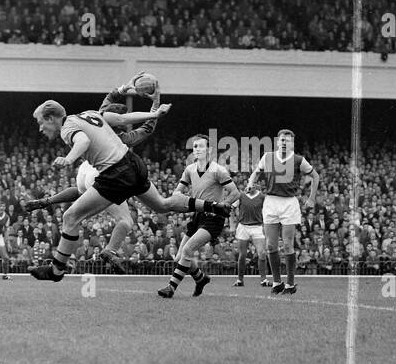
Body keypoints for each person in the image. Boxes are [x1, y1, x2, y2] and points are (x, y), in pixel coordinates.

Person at [28, 100, 230, 282]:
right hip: (133, 163)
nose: (40, 128)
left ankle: (56, 270)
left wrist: (69, 159)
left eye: (40, 122)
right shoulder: (89, 113)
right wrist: (154, 114)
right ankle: (213, 206)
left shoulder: (67, 128)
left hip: (115, 173)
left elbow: (83, 141)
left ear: (51, 118)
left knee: (70, 217)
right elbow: (123, 119)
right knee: (162, 205)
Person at [25, 76, 162, 273]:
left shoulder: (96, 116)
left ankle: (47, 202)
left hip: (85, 170)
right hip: (109, 171)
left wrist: (124, 88)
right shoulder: (123, 138)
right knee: (125, 220)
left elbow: (109, 98)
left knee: (79, 198)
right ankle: (109, 251)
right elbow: (147, 127)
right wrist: (155, 103)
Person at [159, 134, 239, 298]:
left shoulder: (218, 170)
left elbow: (235, 193)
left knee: (188, 250)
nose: (197, 149)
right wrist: (181, 199)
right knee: (180, 257)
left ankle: (171, 287)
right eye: (195, 146)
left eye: (201, 146)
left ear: (209, 150)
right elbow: (177, 193)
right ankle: (200, 279)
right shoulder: (189, 169)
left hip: (214, 218)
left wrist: (223, 205)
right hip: (197, 215)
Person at [246, 129, 318, 295]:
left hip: (289, 203)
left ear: (292, 143)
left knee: (287, 244)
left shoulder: (299, 160)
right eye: (282, 140)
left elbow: (315, 176)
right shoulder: (268, 157)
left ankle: (290, 284)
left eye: (288, 140)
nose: (285, 143)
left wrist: (312, 198)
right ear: (277, 142)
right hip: (271, 202)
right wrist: (250, 183)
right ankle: (277, 282)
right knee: (271, 245)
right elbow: (255, 173)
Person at [233, 182, 270, 287]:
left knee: (262, 253)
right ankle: (240, 280)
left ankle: (263, 280)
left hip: (257, 227)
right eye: (250, 183)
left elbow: (268, 211)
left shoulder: (262, 197)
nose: (252, 186)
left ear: (257, 185)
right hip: (243, 227)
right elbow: (231, 208)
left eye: (254, 183)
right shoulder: (241, 196)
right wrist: (232, 224)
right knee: (242, 255)